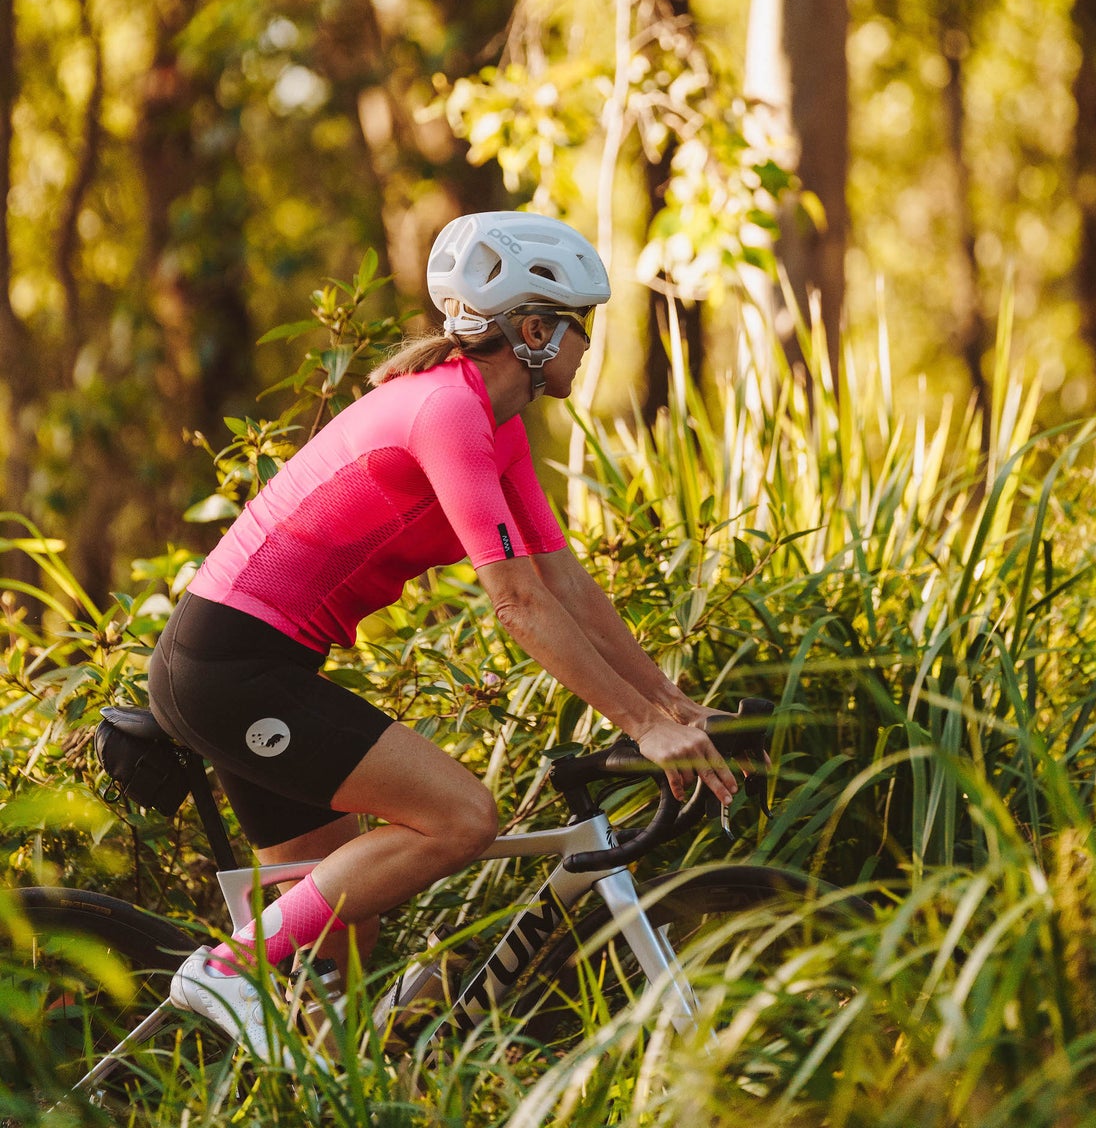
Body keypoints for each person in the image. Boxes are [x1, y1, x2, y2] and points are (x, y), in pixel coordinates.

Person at [148, 211, 737, 1053]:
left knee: (343, 942)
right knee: (463, 817)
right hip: (230, 668)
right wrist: (640, 727)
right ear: (532, 331)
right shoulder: (445, 415)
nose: (588, 346)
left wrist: (670, 704)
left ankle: (325, 1090)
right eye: (581, 327)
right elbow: (518, 605)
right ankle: (226, 969)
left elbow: (564, 583)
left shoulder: (493, 426)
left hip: (251, 666)